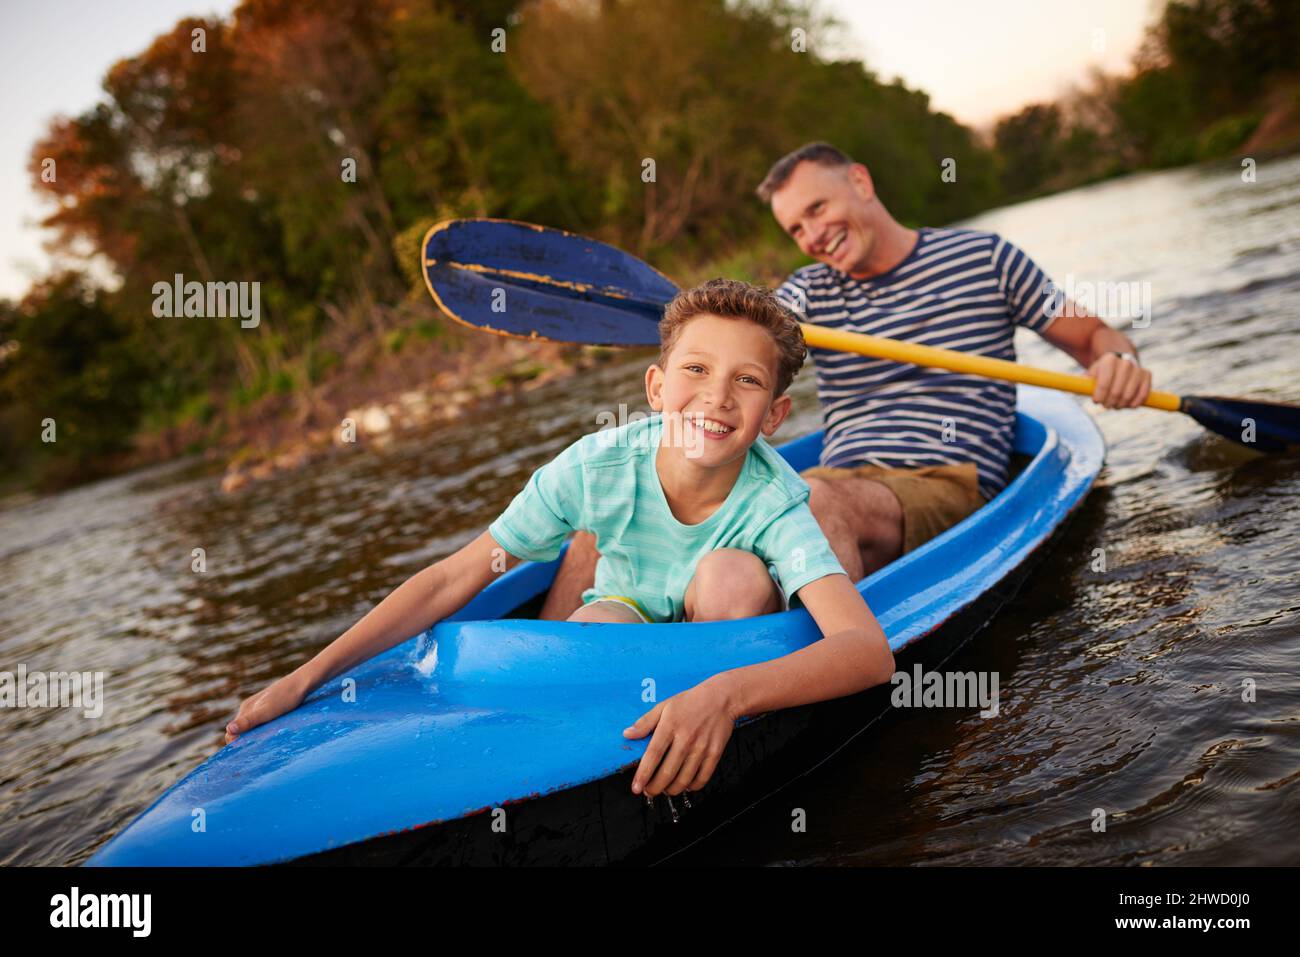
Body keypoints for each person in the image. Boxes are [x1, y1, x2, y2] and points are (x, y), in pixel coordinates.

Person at [224, 278, 895, 800]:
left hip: (727, 632)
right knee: (591, 627)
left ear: (776, 415)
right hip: (631, 612)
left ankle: (704, 726)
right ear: (656, 388)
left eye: (746, 381)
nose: (716, 397)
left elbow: (866, 651)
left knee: (729, 576)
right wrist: (307, 676)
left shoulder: (776, 502)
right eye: (695, 370)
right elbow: (457, 576)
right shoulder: (593, 468)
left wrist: (727, 693)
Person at [540, 141, 1154, 616]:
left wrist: (1115, 362)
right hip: (833, 475)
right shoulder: (804, 294)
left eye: (817, 208)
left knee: (815, 503)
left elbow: (1096, 338)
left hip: (944, 480)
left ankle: (809, 673)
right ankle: (551, 662)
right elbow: (735, 339)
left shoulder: (984, 259)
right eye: (796, 230)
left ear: (860, 182)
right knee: (620, 494)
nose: (813, 235)